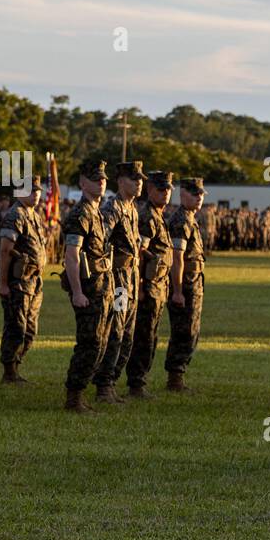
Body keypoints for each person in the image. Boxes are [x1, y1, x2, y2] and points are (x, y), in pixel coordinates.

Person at [61, 158, 114, 413]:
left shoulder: (97, 212)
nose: (101, 182)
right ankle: (74, 396)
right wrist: (77, 292)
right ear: (83, 182)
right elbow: (72, 255)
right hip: (88, 289)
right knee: (89, 342)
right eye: (95, 178)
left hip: (103, 286)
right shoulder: (80, 213)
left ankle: (80, 394)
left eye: (103, 178)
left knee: (100, 342)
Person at [93, 161, 147, 404]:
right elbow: (97, 242)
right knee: (115, 331)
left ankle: (112, 382)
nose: (139, 183)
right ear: (120, 180)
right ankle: (103, 385)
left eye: (140, 179)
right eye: (134, 178)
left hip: (131, 279)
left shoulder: (132, 208)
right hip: (117, 280)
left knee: (127, 333)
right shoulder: (112, 207)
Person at [125, 171, 174, 398]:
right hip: (148, 287)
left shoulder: (158, 214)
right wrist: (142, 287)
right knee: (143, 336)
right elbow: (140, 254)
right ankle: (136, 384)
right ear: (149, 190)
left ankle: (139, 381)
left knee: (151, 335)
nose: (165, 193)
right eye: (160, 189)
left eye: (168, 189)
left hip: (158, 285)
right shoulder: (147, 216)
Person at [0, 175, 47, 384]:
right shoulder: (15, 215)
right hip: (18, 281)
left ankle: (16, 365)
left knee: (30, 329)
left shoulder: (34, 215)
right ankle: (9, 371)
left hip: (34, 281)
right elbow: (5, 250)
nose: (36, 194)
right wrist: (3, 283)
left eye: (37, 190)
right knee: (16, 326)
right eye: (31, 190)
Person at [165, 178, 207, 392]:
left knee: (191, 330)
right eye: (194, 193)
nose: (199, 197)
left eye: (200, 194)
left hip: (193, 284)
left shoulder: (191, 218)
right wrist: (178, 291)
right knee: (183, 331)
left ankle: (178, 376)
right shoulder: (181, 220)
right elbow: (177, 258)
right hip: (184, 286)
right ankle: (175, 378)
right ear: (183, 194)